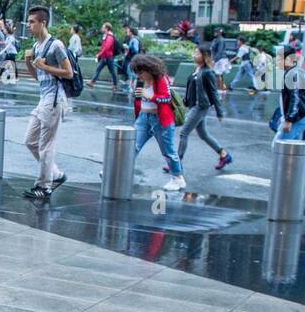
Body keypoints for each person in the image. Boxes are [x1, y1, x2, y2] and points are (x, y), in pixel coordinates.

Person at [21, 6, 74, 200]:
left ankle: (44, 186)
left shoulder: (56, 45)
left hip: (54, 100)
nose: (28, 25)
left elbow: (69, 73)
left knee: (46, 145)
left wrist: (44, 65)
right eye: (28, 21)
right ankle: (56, 175)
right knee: (30, 140)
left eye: (32, 22)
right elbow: (39, 77)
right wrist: (30, 63)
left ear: (43, 23)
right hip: (43, 99)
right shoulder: (36, 46)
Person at [128, 53, 185, 190]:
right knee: (132, 145)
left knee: (168, 150)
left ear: (149, 69)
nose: (139, 76)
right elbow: (140, 97)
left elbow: (166, 99)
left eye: (141, 72)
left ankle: (178, 178)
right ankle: (118, 171)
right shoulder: (141, 80)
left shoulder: (161, 79)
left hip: (160, 119)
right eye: (137, 72)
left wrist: (151, 96)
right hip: (143, 118)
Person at [178, 47, 232, 171]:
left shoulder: (207, 72)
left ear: (204, 56)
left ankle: (176, 162)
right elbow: (191, 89)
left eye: (197, 53)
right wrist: (185, 100)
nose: (194, 54)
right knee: (203, 134)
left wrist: (219, 111)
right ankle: (224, 155)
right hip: (194, 105)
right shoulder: (197, 69)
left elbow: (213, 92)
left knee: (183, 132)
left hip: (200, 106)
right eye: (195, 52)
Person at [273, 45, 305, 144]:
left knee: (279, 147)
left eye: (279, 59)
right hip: (301, 117)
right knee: (293, 150)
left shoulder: (292, 74)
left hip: (297, 119)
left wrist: (288, 120)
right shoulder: (295, 72)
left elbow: (295, 98)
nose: (277, 62)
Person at [92, 22, 121, 91]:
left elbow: (106, 48)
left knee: (112, 71)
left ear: (107, 28)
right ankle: (92, 82)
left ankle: (115, 84)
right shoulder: (105, 36)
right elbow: (103, 47)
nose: (102, 28)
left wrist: (99, 54)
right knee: (98, 69)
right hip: (105, 57)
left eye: (103, 27)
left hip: (108, 57)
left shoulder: (110, 37)